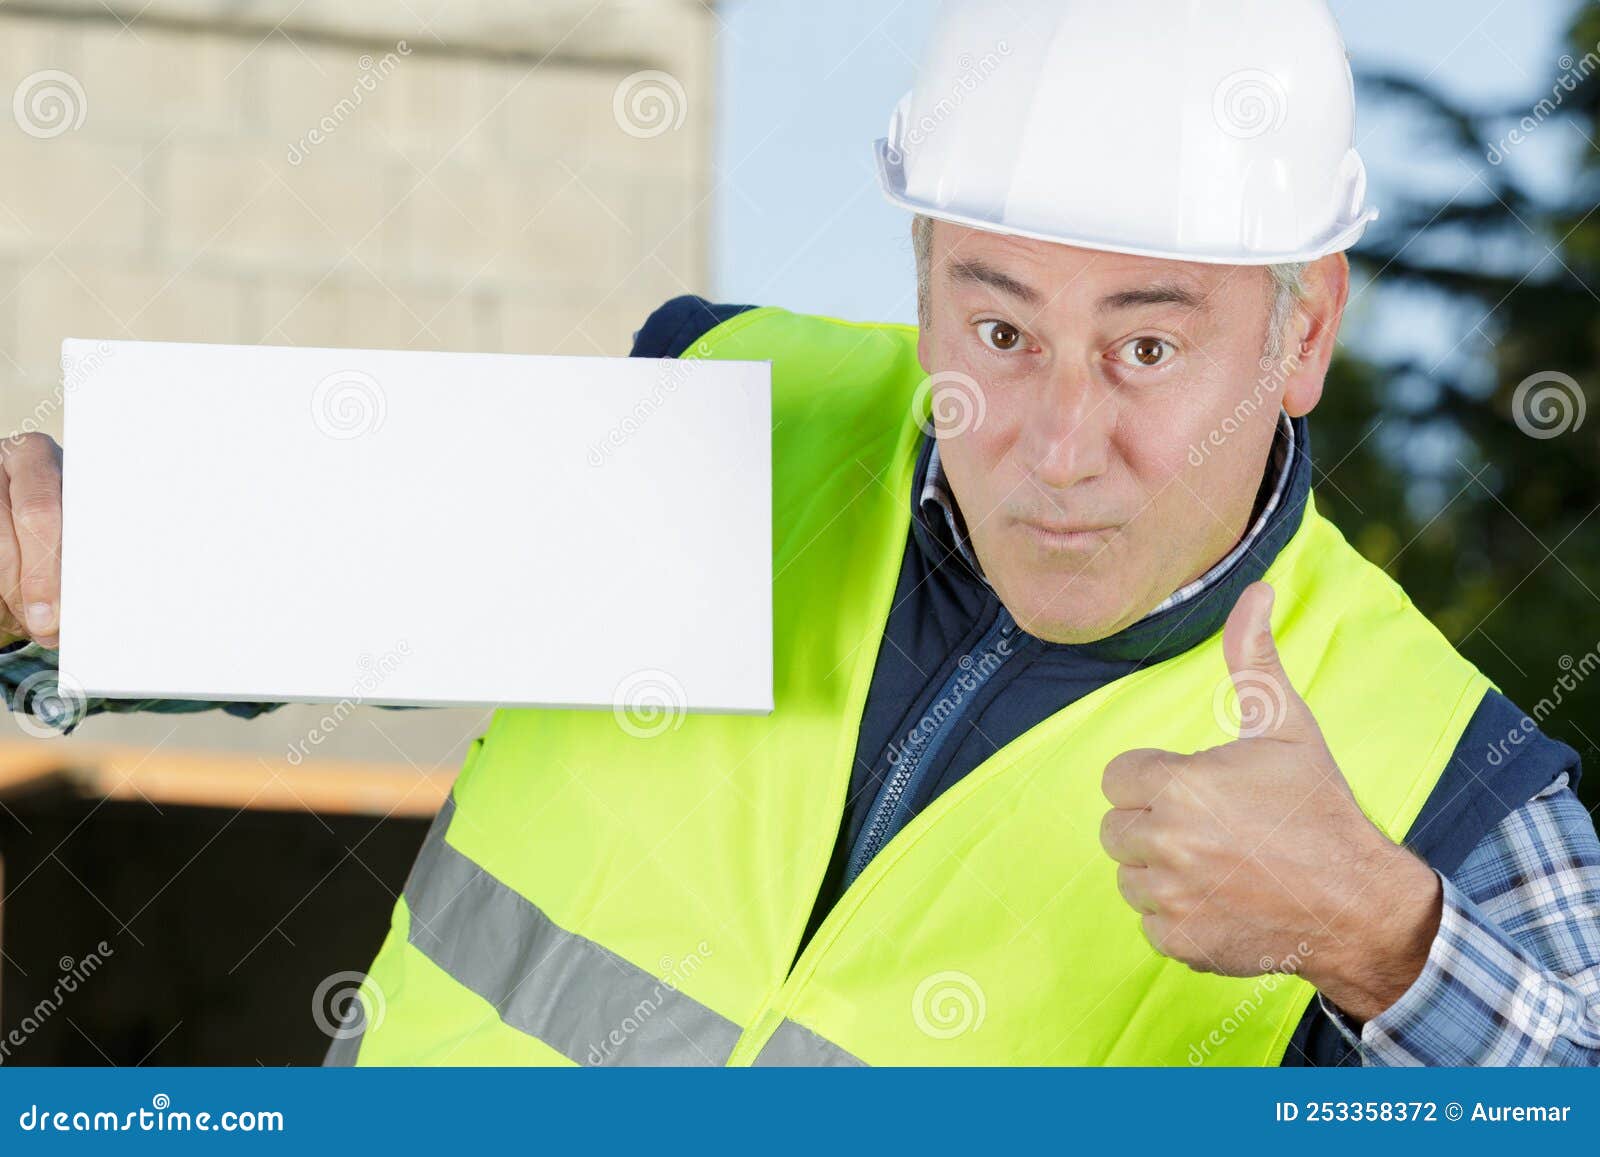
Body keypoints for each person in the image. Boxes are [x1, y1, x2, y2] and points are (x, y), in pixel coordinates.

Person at [2, 0, 1598, 1066]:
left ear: (1302, 329)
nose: (1053, 439)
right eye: (997, 327)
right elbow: (248, 554)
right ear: (922, 279)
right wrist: (53, 565)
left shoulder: (1436, 787)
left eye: (1149, 346)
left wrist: (1382, 941)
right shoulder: (723, 416)